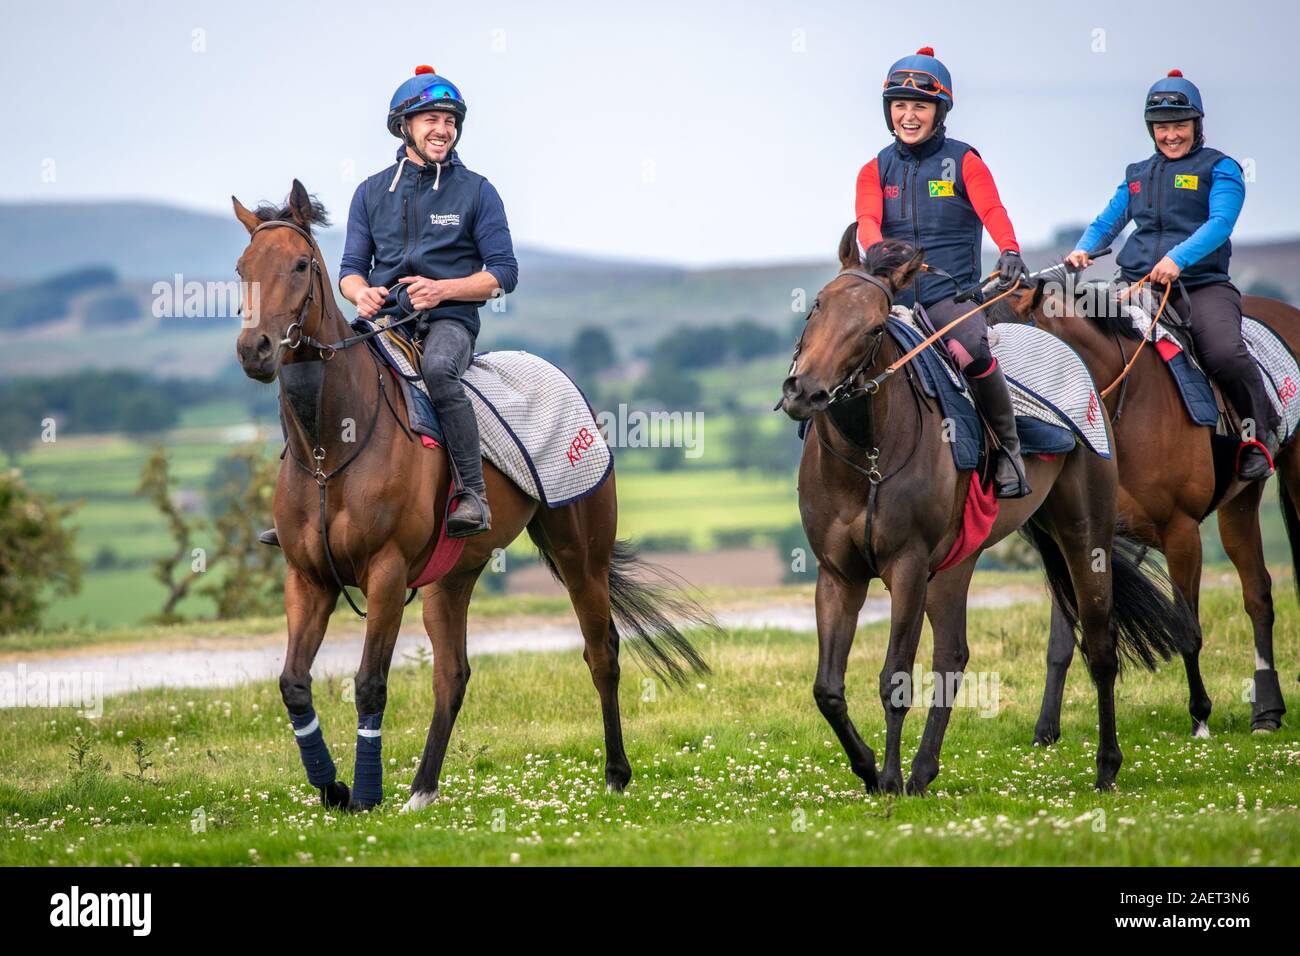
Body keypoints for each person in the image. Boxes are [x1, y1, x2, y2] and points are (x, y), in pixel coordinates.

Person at [259, 65, 518, 547]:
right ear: (405, 127)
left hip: (448, 322)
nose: (443, 130)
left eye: (450, 121)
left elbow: (503, 274)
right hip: (382, 324)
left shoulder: (478, 191)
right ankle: (298, 506)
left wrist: (444, 291)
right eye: (432, 120)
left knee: (440, 371)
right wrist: (362, 293)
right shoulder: (371, 192)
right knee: (306, 369)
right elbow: (351, 269)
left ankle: (471, 493)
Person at [1066, 70, 1278, 480]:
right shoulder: (1137, 174)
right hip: (1134, 284)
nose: (1171, 135)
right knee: (1084, 333)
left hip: (1200, 286)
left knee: (1223, 352)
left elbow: (1220, 224)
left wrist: (1178, 259)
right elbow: (1109, 221)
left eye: (1179, 126)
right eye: (1162, 128)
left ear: (1196, 125)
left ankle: (1261, 433)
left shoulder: (1222, 169)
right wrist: (1083, 249)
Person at [855, 47, 1031, 497]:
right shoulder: (874, 169)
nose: (908, 116)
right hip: (892, 295)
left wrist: (1009, 248)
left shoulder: (964, 160)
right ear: (888, 111)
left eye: (920, 106)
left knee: (971, 348)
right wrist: (881, 257)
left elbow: (991, 208)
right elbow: (868, 222)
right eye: (900, 106)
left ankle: (1008, 450)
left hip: (948, 295)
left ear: (939, 111)